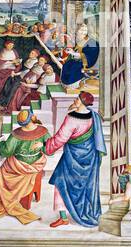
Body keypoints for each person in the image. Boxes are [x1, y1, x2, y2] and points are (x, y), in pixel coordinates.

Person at [44, 91, 106, 228]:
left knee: (60, 181)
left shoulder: (72, 118)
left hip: (72, 158)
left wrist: (46, 146)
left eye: (78, 98)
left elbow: (60, 139)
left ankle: (63, 217)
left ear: (82, 102)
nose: (75, 99)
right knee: (86, 187)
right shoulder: (93, 116)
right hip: (89, 157)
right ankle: (87, 212)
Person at [0, 110, 49, 224]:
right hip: (36, 165)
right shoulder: (43, 131)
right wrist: (43, 145)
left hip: (18, 166)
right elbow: (49, 151)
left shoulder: (16, 134)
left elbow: (6, 152)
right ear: (32, 118)